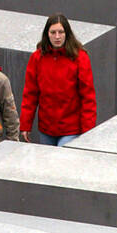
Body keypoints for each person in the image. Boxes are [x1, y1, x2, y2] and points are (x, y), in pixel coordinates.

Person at [19, 14, 97, 145]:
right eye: (53, 32)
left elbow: (88, 97)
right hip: (46, 129)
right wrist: (25, 125)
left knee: (62, 162)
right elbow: (30, 94)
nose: (57, 36)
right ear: (47, 34)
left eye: (61, 32)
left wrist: (87, 132)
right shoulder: (37, 58)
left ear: (67, 34)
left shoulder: (79, 58)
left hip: (71, 129)